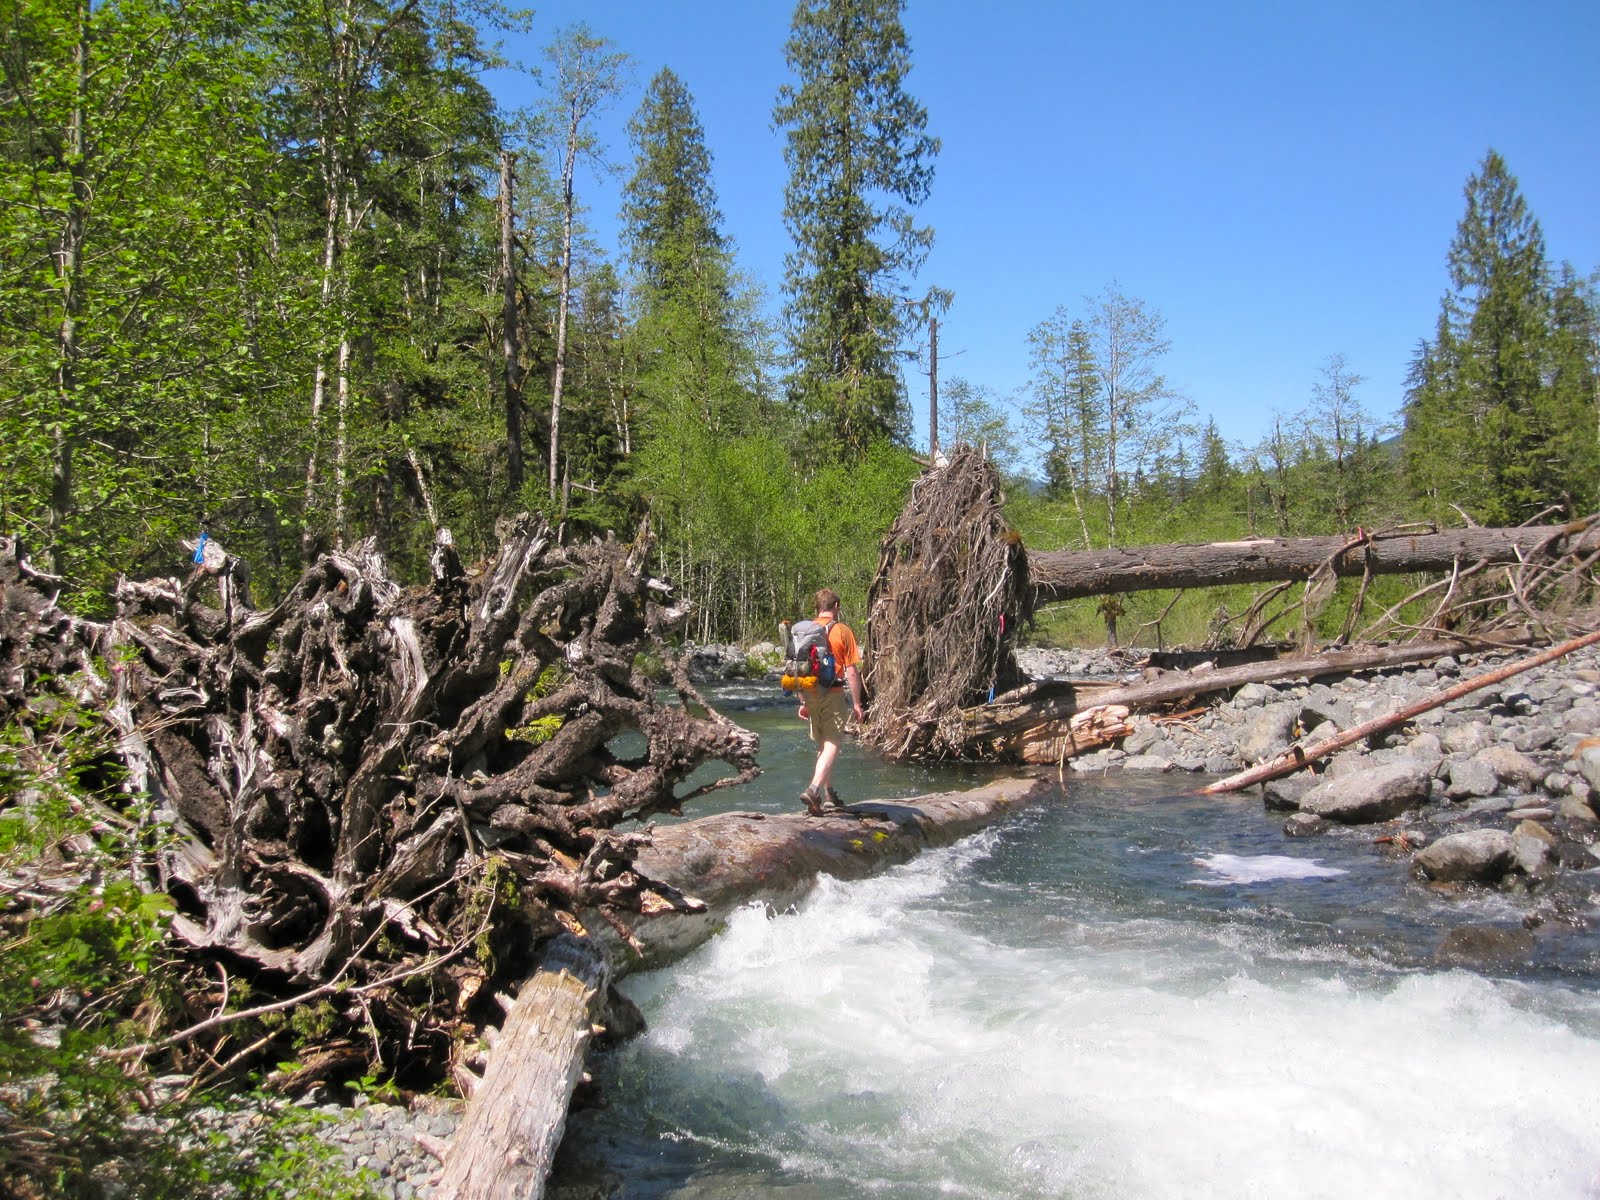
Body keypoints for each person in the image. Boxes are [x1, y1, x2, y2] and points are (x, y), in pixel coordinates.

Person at [797, 588, 865, 816]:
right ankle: (814, 789)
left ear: (817, 607)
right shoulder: (843, 631)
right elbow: (852, 671)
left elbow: (798, 668)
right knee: (833, 742)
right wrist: (857, 703)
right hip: (834, 692)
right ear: (836, 606)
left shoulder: (805, 630)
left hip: (810, 693)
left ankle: (829, 794)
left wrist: (802, 700)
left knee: (823, 745)